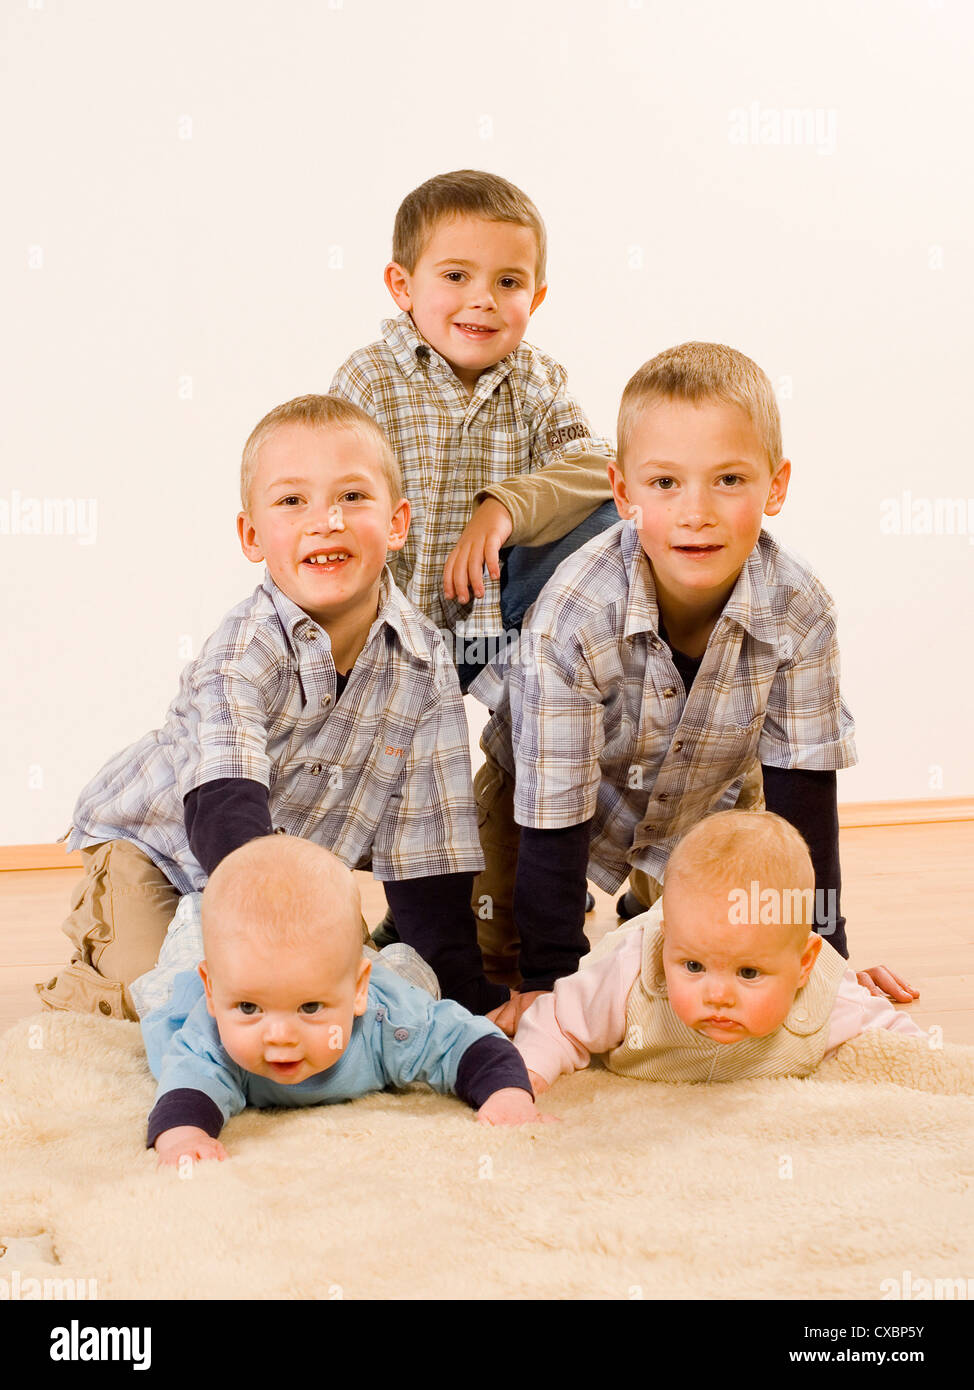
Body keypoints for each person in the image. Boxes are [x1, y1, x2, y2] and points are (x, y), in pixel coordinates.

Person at [472, 342, 918, 1032]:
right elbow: (551, 811)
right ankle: (595, 919)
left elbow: (805, 802)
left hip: (708, 799)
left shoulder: (800, 609)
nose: (697, 511)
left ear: (776, 484)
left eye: (729, 480)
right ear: (623, 493)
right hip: (543, 802)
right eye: (666, 483)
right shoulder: (575, 615)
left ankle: (652, 904)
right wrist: (551, 982)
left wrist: (824, 956)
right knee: (491, 956)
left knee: (728, 943)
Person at [38, 394, 509, 1021]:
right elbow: (226, 805)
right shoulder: (239, 652)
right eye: (293, 501)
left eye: (352, 497)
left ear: (397, 523)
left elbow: (430, 848)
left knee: (362, 996)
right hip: (165, 852)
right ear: (252, 536)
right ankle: (93, 982)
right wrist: (271, 942)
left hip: (286, 875)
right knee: (178, 997)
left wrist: (462, 996)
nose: (327, 521)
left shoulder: (424, 663)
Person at [329, 167, 619, 693]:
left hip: (492, 628)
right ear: (403, 285)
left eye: (507, 282)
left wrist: (504, 506)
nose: (483, 298)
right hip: (388, 628)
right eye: (456, 276)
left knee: (618, 514)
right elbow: (332, 502)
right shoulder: (369, 380)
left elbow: (601, 468)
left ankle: (530, 735)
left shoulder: (536, 379)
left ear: (534, 298)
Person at [145, 837, 544, 1165]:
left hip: (379, 981)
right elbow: (186, 1087)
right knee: (162, 980)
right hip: (191, 983)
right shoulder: (210, 1037)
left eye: (310, 1008)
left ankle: (390, 958)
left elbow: (465, 1039)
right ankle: (191, 915)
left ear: (358, 993)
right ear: (215, 994)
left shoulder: (390, 1023)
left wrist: (506, 1094)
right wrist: (184, 1138)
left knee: (418, 982)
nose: (280, 1036)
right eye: (250, 1008)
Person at [514, 812, 927, 1093]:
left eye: (748, 973)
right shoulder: (629, 974)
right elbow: (557, 1021)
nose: (718, 996)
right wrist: (526, 1079)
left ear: (802, 965)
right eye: (693, 966)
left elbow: (903, 1045)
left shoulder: (828, 997)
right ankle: (646, 902)